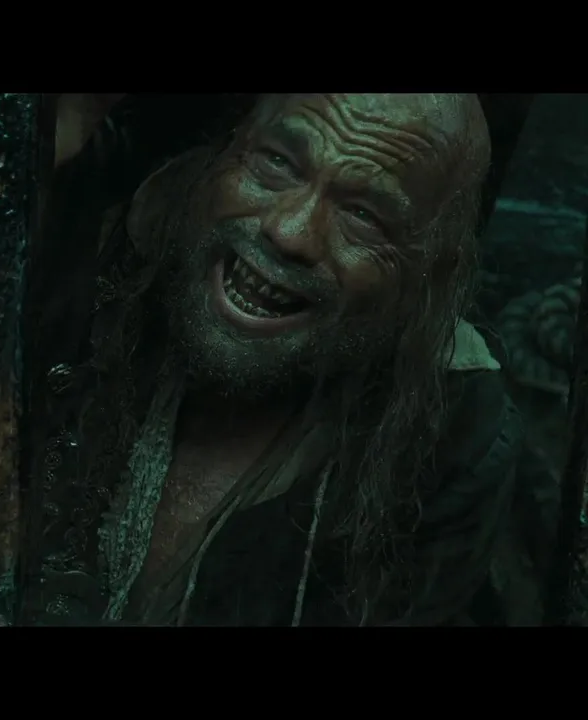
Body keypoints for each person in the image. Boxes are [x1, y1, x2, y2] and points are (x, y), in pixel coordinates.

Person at [27, 93, 531, 625]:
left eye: (363, 215)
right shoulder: (99, 246)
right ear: (223, 152)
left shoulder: (453, 435)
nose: (290, 231)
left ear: (428, 273)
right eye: (277, 162)